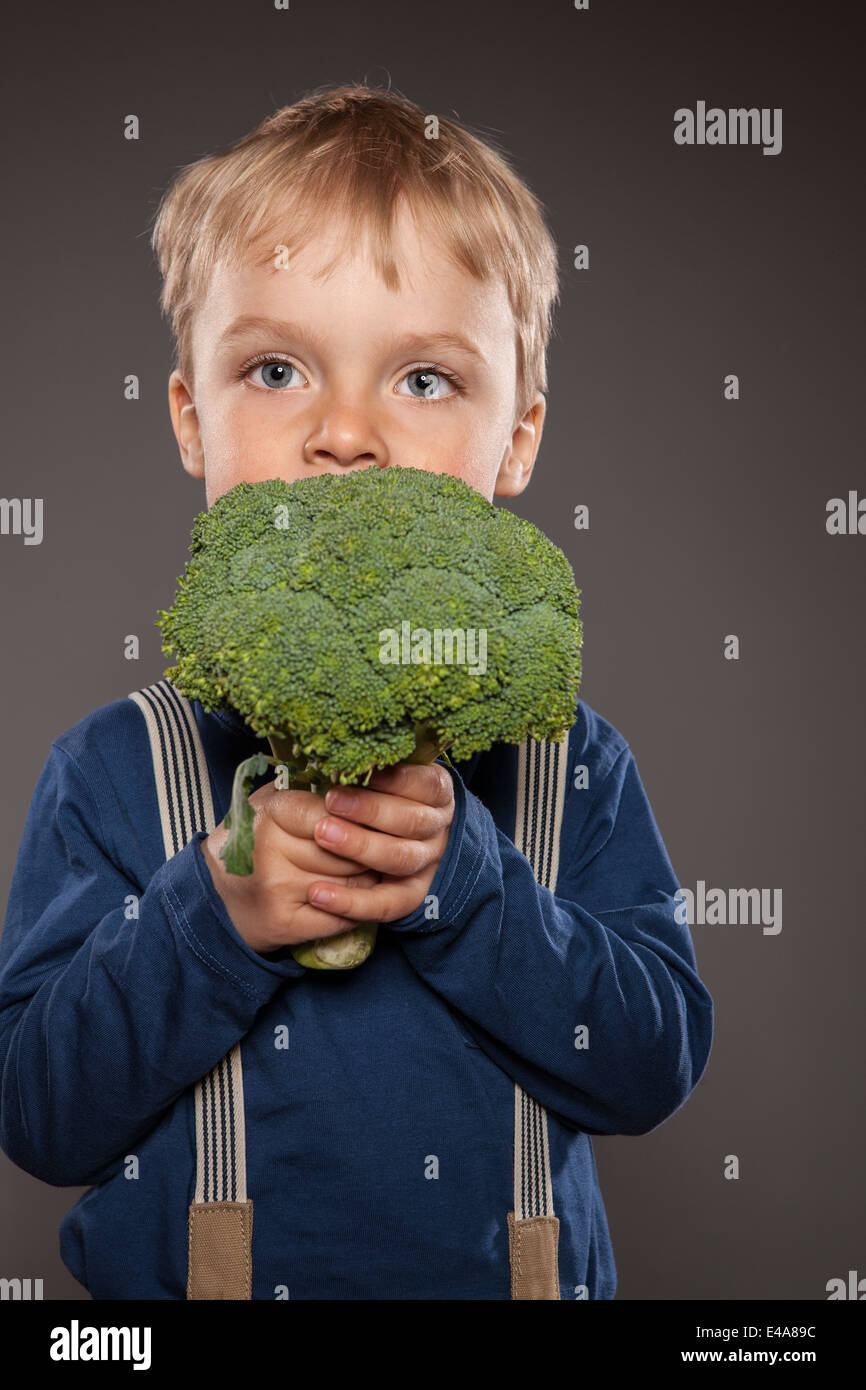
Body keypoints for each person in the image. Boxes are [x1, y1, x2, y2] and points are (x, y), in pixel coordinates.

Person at [0, 83, 713, 1300]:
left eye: (423, 381)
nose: (343, 433)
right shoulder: (118, 768)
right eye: (275, 368)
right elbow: (41, 1113)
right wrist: (210, 912)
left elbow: (646, 1065)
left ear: (518, 439)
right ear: (190, 418)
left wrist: (471, 890)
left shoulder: (566, 761)